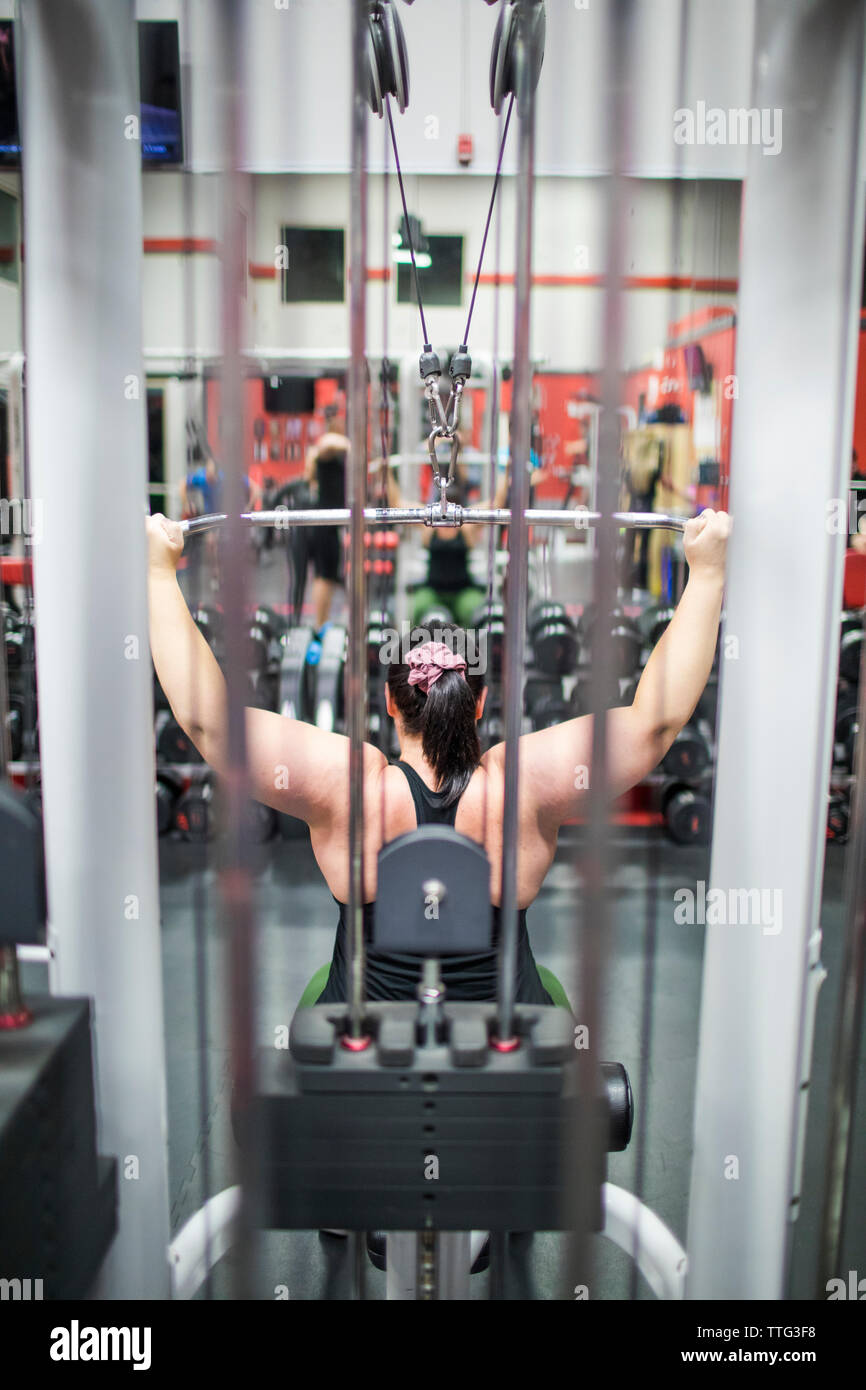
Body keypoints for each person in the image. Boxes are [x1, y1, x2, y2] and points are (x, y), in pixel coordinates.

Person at [147, 506, 731, 1007]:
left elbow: (208, 722)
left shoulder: (349, 788)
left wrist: (158, 572)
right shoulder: (520, 788)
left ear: (389, 704)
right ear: (479, 703)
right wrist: (705, 575)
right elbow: (653, 724)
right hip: (507, 1039)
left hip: (369, 1042)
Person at [302, 431, 349, 631]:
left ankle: (323, 622)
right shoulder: (326, 454)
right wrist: (352, 444)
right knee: (323, 576)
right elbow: (326, 443)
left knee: (327, 576)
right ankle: (319, 624)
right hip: (324, 523)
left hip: (330, 524)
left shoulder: (332, 459)